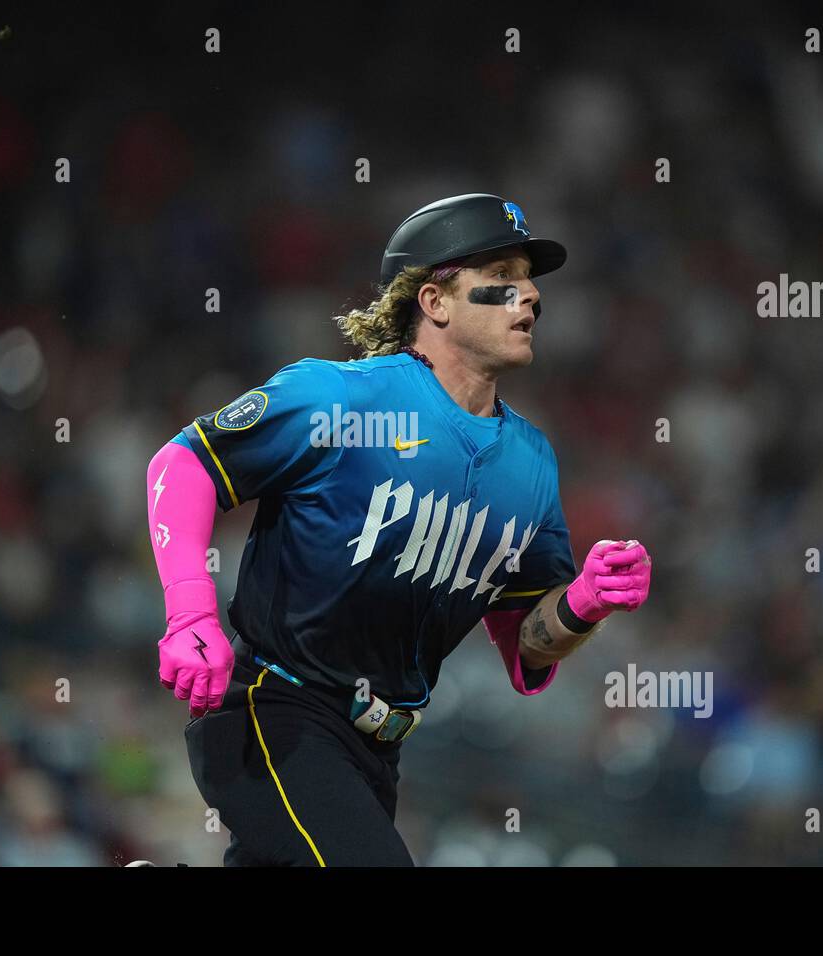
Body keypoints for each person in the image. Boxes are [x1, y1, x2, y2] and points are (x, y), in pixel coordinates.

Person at [145, 193, 652, 866]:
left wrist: (586, 601)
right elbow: (185, 464)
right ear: (435, 301)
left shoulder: (531, 463)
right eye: (502, 274)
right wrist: (189, 615)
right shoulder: (343, 398)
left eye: (530, 278)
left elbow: (526, 645)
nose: (530, 295)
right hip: (275, 708)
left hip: (378, 751)